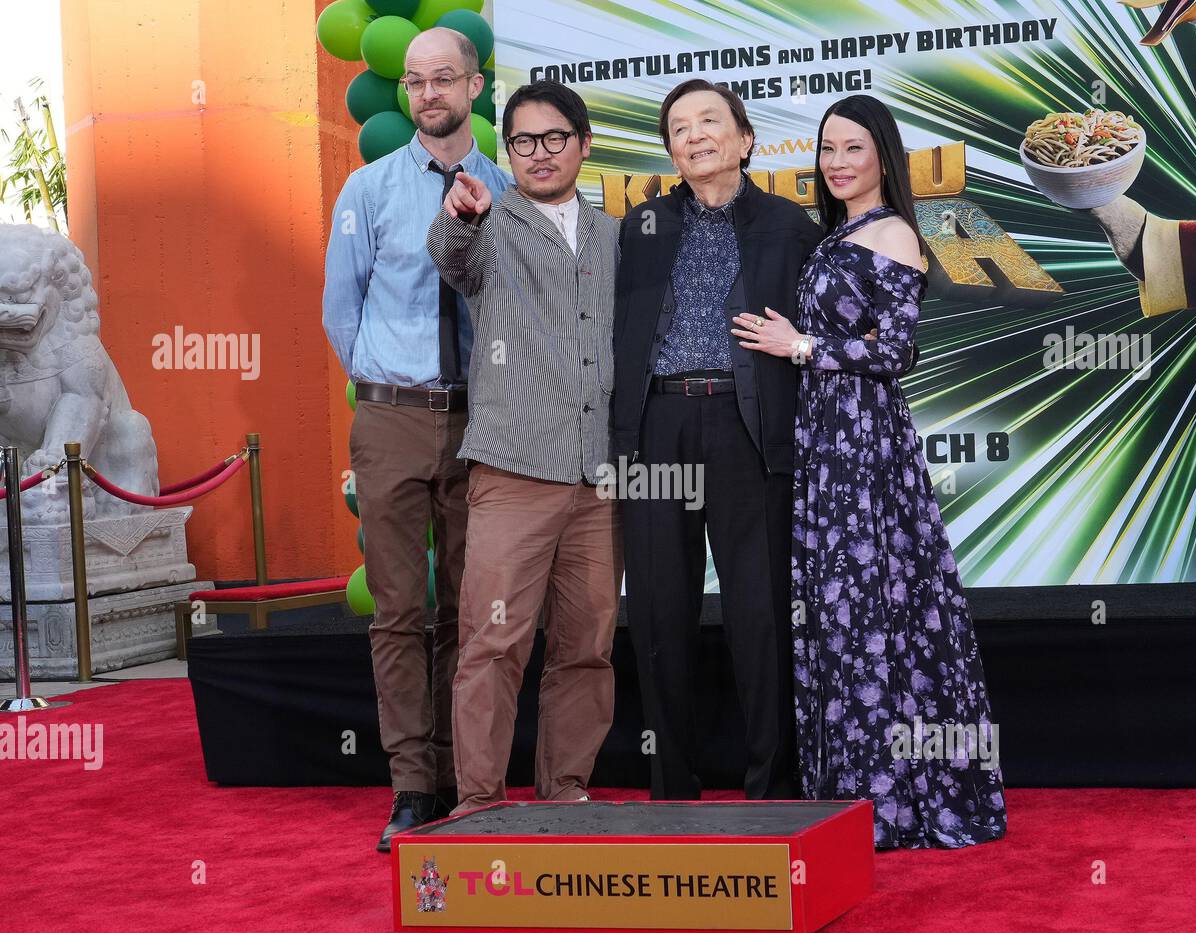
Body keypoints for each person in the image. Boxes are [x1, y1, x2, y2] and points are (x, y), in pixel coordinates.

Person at [731, 94, 1007, 848]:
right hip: (828, 436)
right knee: (844, 610)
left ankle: (894, 800)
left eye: (853, 148)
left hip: (862, 440)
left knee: (871, 609)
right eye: (827, 149)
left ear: (883, 153)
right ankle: (852, 795)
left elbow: (895, 354)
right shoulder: (842, 231)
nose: (838, 162)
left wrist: (802, 347)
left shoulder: (891, 233)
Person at [323, 28, 510, 852]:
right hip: (391, 418)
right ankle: (410, 787)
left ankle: (471, 780)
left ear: (474, 87)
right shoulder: (365, 192)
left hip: (486, 421)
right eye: (415, 82)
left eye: (445, 79)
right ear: (405, 95)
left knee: (476, 612)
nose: (429, 93)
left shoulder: (509, 188)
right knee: (399, 611)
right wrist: (386, 384)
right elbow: (341, 310)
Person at [612, 80, 822, 801]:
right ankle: (672, 785)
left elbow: (816, 339)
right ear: (669, 148)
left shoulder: (790, 226)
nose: (695, 134)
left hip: (747, 425)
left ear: (745, 138)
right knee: (659, 612)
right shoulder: (638, 228)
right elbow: (616, 340)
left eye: (710, 121)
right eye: (679, 127)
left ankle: (774, 788)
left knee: (759, 612)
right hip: (657, 427)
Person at [428, 80, 622, 815]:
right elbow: (451, 255)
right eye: (522, 142)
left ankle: (566, 788)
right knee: (493, 641)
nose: (539, 154)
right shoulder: (491, 220)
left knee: (587, 643)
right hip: (513, 469)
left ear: (583, 143)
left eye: (553, 138)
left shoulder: (612, 235)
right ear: (507, 151)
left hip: (599, 478)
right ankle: (479, 799)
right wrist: (461, 214)